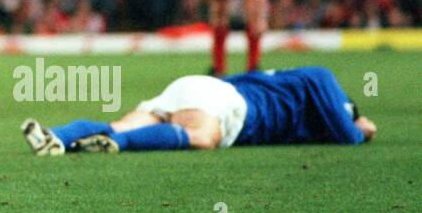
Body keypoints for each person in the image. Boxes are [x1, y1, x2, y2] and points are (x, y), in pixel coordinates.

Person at [22, 66, 376, 154]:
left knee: (122, 123)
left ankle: (59, 138)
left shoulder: (285, 80)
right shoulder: (324, 80)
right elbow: (350, 136)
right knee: (203, 137)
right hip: (229, 103)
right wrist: (361, 126)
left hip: (198, 85)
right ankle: (116, 146)